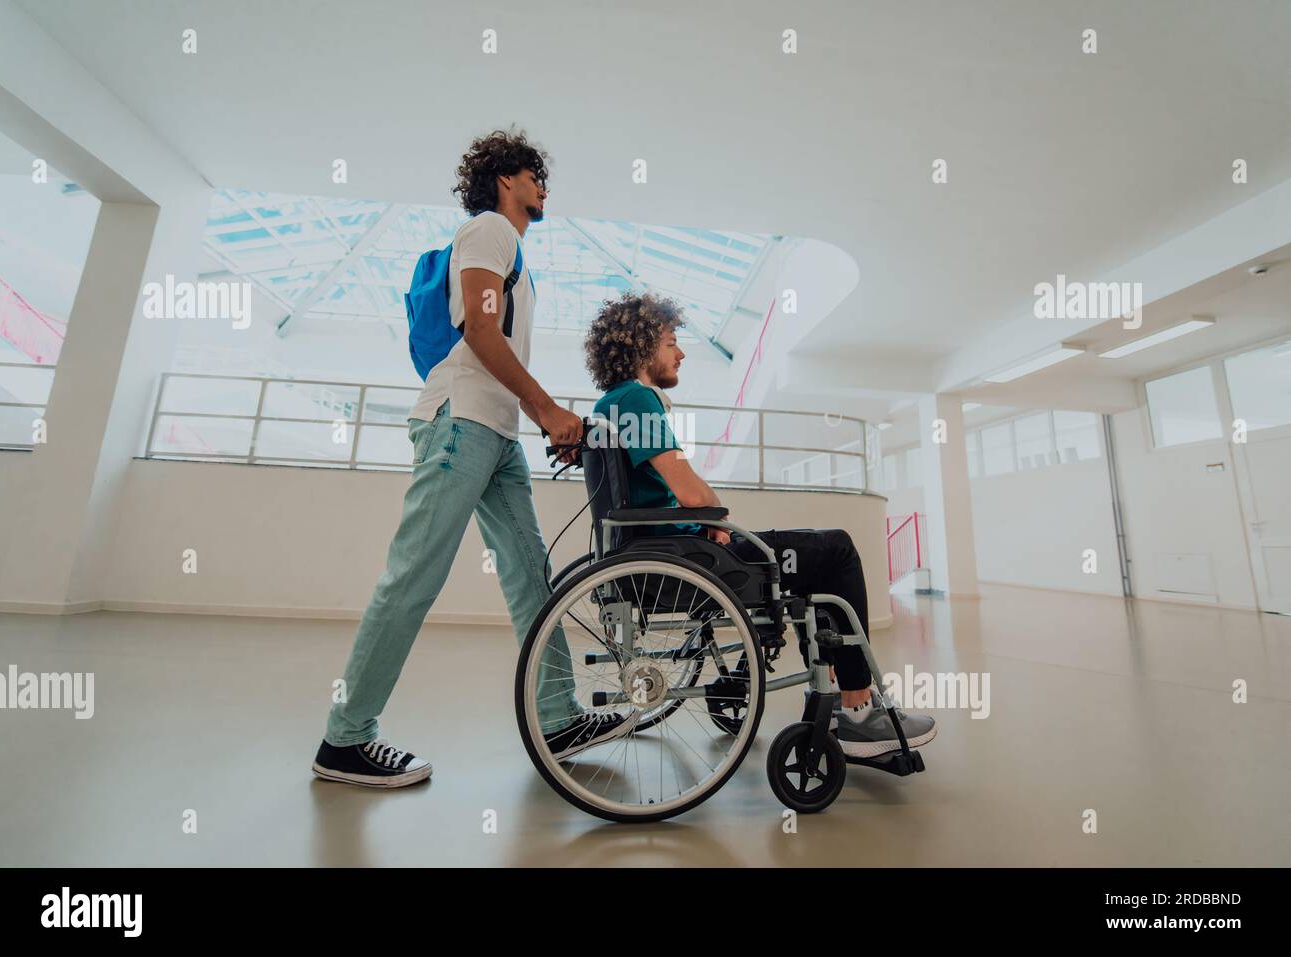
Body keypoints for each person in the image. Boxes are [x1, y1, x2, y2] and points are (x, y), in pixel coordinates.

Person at [312, 129, 635, 789]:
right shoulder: (491, 230)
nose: (543, 189)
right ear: (508, 179)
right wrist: (549, 410)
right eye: (536, 176)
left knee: (530, 577)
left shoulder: (507, 247)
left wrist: (532, 415)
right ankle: (344, 739)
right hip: (460, 424)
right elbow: (480, 332)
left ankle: (557, 716)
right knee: (411, 579)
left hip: (493, 432)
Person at [584, 292, 937, 758]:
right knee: (837, 551)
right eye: (672, 341)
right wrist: (718, 515)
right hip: (682, 557)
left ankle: (837, 696)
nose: (681, 352)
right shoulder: (637, 398)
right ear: (643, 344)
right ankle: (854, 706)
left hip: (661, 552)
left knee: (818, 559)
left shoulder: (611, 403)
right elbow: (690, 493)